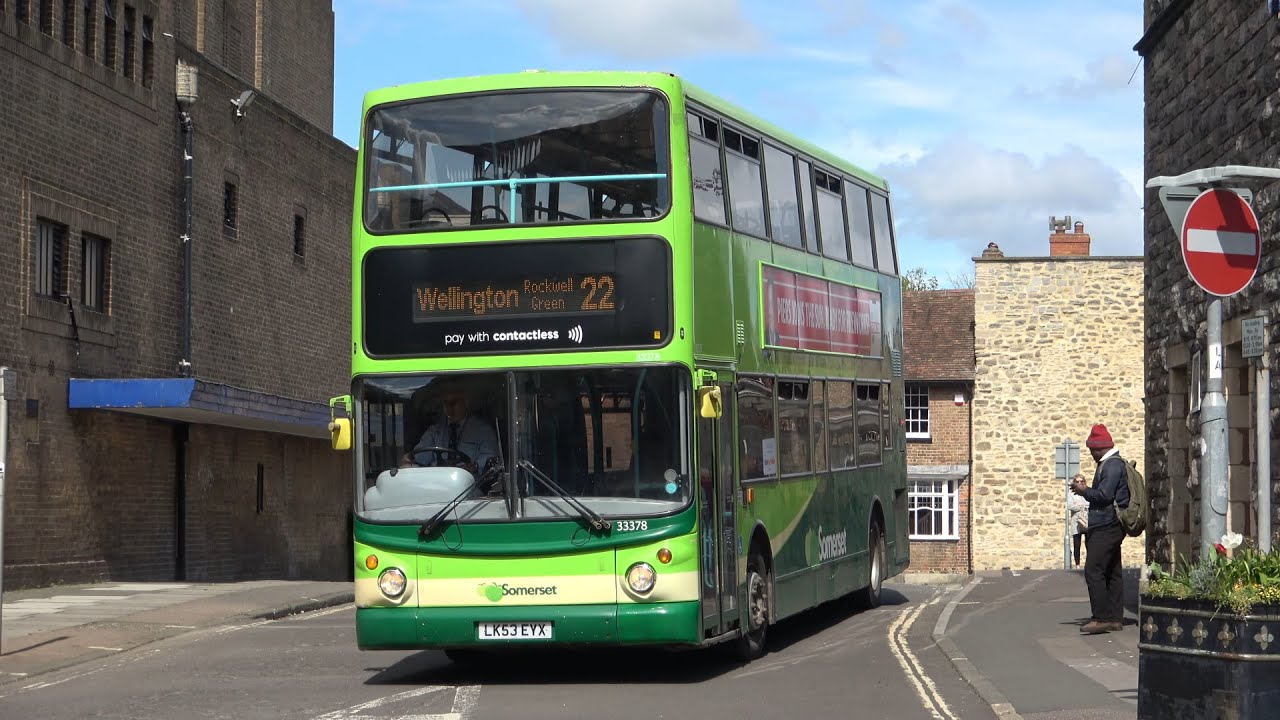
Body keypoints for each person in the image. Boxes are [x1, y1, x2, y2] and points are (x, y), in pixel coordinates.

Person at [1069, 423, 1130, 634]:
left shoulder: (1111, 465)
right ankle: (1114, 617)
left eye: (1091, 450)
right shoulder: (1112, 464)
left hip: (1106, 525)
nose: (1091, 454)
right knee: (1112, 571)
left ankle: (1101, 617)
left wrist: (1084, 490)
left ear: (1099, 448)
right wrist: (1085, 490)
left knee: (1093, 570)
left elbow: (1104, 496)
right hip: (1112, 525)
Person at [401, 387, 500, 476]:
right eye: (445, 403)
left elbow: (491, 457)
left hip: (469, 484)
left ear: (466, 403)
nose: (449, 408)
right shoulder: (435, 431)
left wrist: (475, 466)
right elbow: (420, 454)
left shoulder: (482, 430)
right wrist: (410, 458)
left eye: (453, 403)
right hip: (437, 482)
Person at [1066, 484, 1089, 567]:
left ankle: (1089, 564)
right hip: (1076, 521)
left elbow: (1089, 504)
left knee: (1089, 544)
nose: (1079, 482)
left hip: (1086, 520)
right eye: (1077, 481)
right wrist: (1081, 506)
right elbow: (1070, 506)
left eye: (1081, 481)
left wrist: (1078, 504)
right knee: (1076, 544)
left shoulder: (1087, 491)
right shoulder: (1071, 494)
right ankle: (1077, 565)